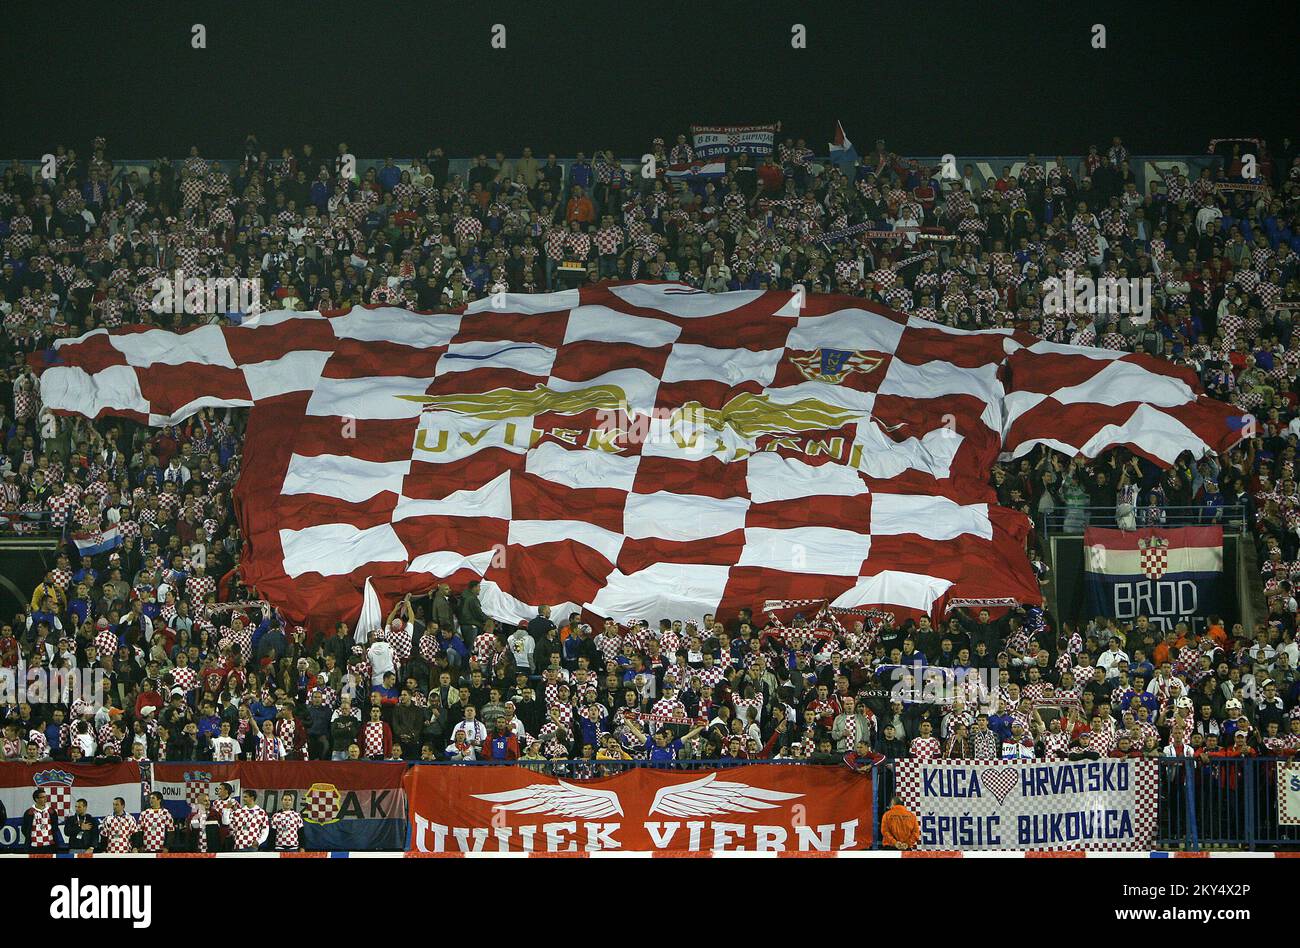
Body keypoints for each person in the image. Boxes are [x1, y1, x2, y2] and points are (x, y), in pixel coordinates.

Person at [22, 788, 62, 853]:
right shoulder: (29, 812)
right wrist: (33, 837)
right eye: (42, 797)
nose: (45, 799)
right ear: (36, 799)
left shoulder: (51, 811)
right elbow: (24, 829)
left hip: (50, 845)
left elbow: (55, 827)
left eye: (46, 796)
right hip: (34, 846)